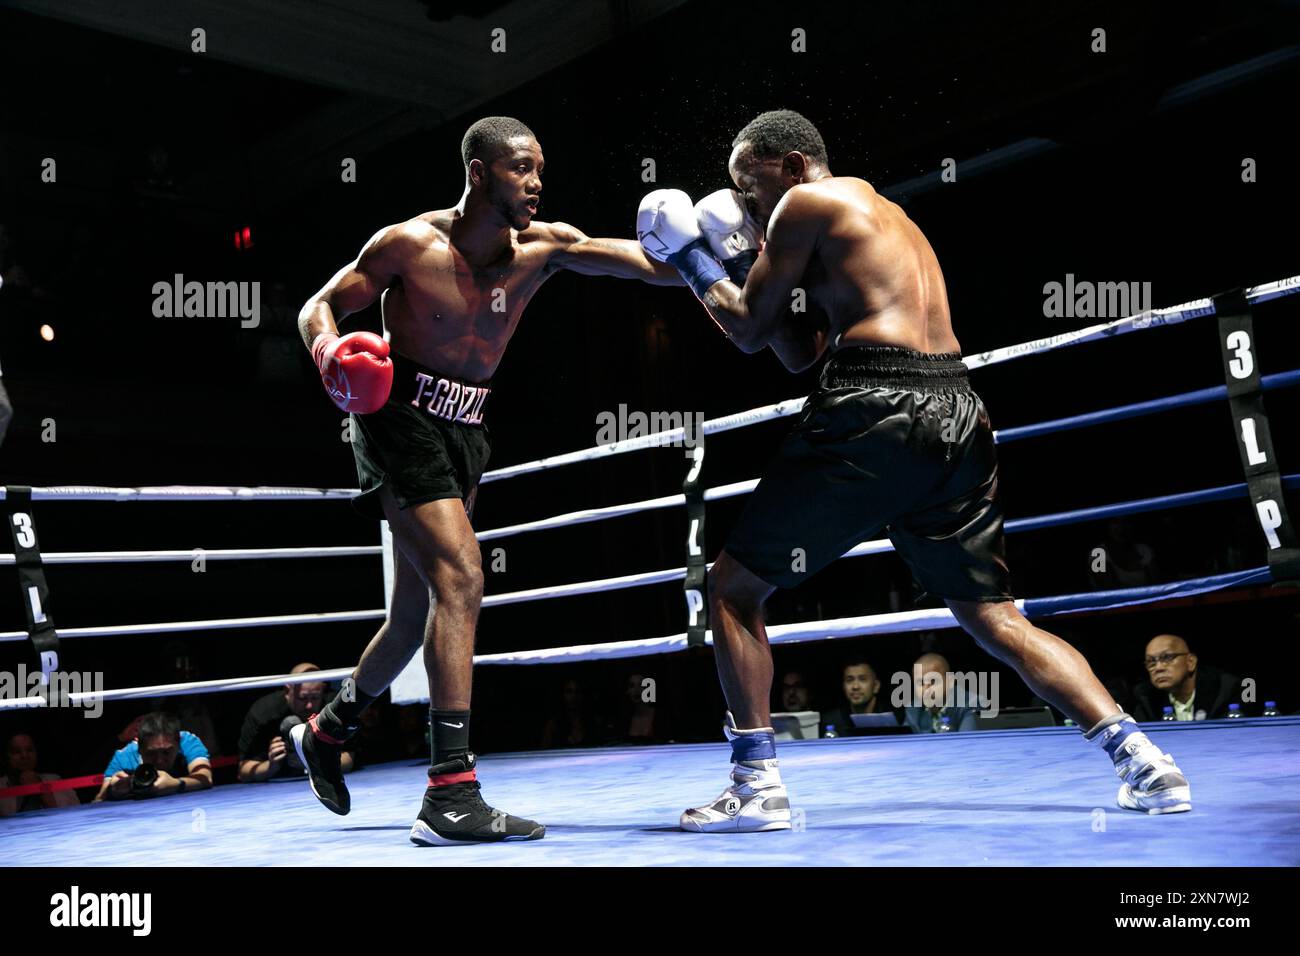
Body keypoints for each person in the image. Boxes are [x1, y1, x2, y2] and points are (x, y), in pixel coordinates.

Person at [638, 109, 1191, 832]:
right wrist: (742, 259)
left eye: (754, 187)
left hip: (875, 403)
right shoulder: (886, 217)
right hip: (959, 410)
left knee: (732, 590)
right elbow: (798, 350)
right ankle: (1145, 761)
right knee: (993, 615)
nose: (752, 208)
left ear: (796, 165)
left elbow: (744, 329)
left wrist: (692, 258)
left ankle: (756, 786)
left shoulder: (807, 201)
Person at [293, 116, 680, 845]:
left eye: (541, 171)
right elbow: (319, 305)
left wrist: (727, 253)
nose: (537, 183)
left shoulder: (545, 249)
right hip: (395, 419)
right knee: (464, 579)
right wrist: (328, 357)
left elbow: (645, 263)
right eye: (523, 169)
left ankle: (324, 733)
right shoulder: (407, 244)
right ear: (479, 172)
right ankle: (450, 792)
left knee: (415, 615)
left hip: (466, 431)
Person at [238, 664, 355, 782]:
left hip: (322, 774)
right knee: (291, 723)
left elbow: (349, 759)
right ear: (287, 691)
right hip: (278, 786)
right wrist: (271, 766)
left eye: (315, 697)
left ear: (322, 689)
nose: (309, 705)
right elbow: (244, 771)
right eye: (302, 698)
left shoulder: (334, 708)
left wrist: (315, 760)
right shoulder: (263, 713)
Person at [95, 712, 212, 802]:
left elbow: (205, 778)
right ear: (139, 747)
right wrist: (113, 791)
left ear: (178, 743)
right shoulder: (124, 756)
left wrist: (175, 784)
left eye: (166, 752)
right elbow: (99, 799)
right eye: (151, 753)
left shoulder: (188, 741)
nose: (159, 760)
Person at [1128, 634, 1241, 721]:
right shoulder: (1146, 697)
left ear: (1190, 661)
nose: (1158, 668)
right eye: (1151, 662)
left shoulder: (1224, 689)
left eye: (1167, 657)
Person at [0, 732, 80, 816]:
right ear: (5, 758)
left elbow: (76, 815)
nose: (24, 755)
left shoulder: (56, 780)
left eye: (29, 750)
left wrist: (40, 788)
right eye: (16, 752)